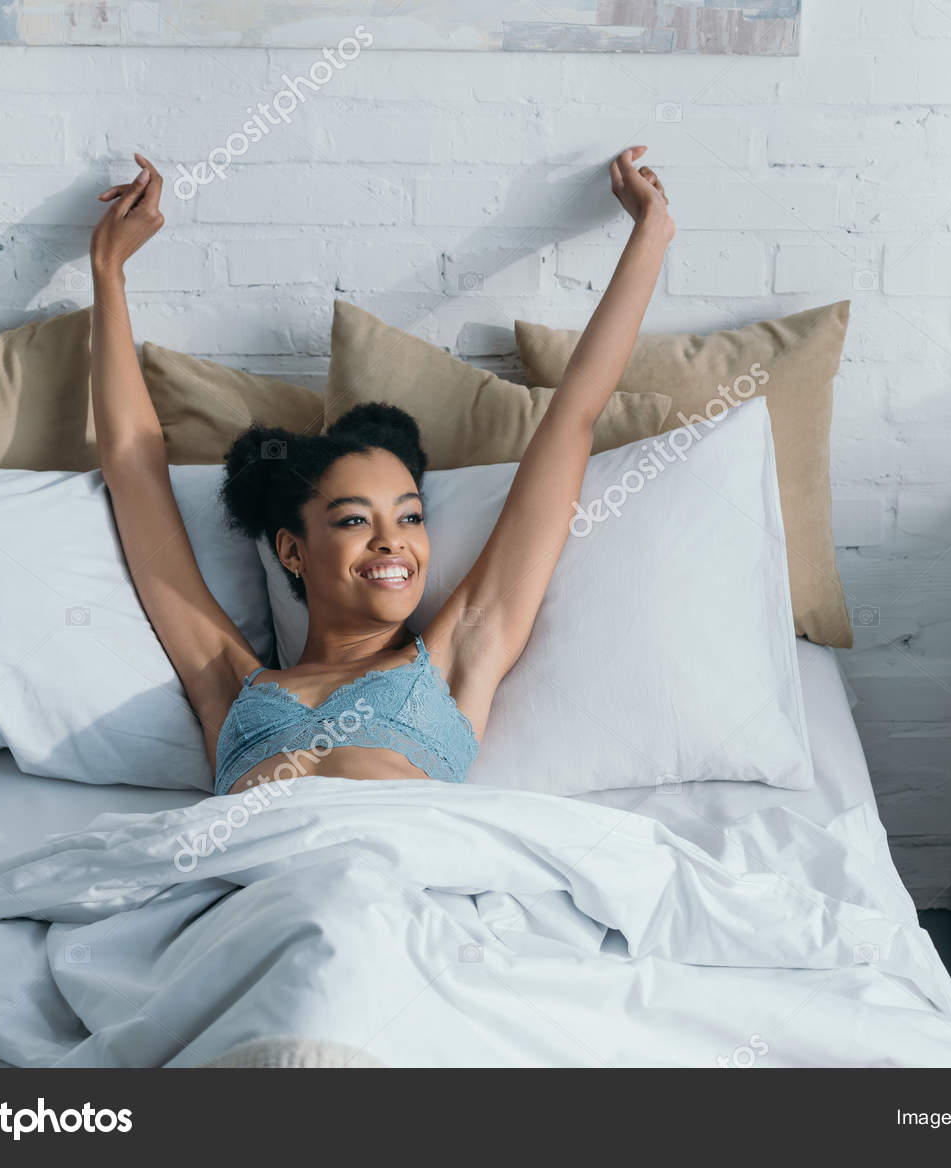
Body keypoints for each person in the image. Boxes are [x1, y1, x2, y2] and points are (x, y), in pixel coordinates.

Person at [87, 147, 673, 797]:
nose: (392, 539)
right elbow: (132, 464)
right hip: (255, 880)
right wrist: (107, 271)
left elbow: (572, 419)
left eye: (410, 515)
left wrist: (652, 235)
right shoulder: (224, 678)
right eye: (355, 519)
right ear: (292, 550)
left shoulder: (455, 659)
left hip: (388, 877)